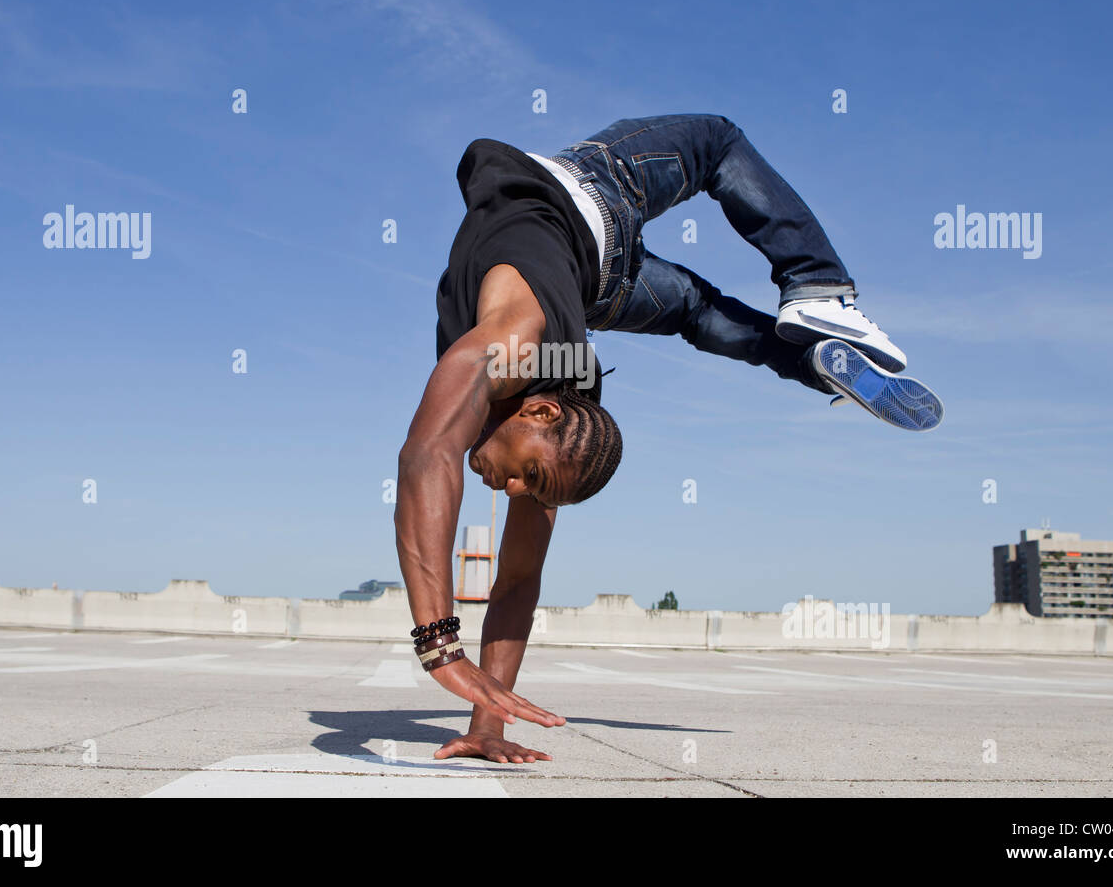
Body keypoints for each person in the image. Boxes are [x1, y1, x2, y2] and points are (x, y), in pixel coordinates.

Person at [394, 113, 943, 763]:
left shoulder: (533, 389)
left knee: (702, 296)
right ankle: (814, 318)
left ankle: (813, 327)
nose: (513, 490)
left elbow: (512, 578)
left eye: (529, 484)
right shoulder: (509, 346)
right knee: (714, 157)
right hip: (593, 215)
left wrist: (477, 704)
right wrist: (450, 660)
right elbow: (429, 459)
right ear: (541, 414)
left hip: (593, 264)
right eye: (531, 478)